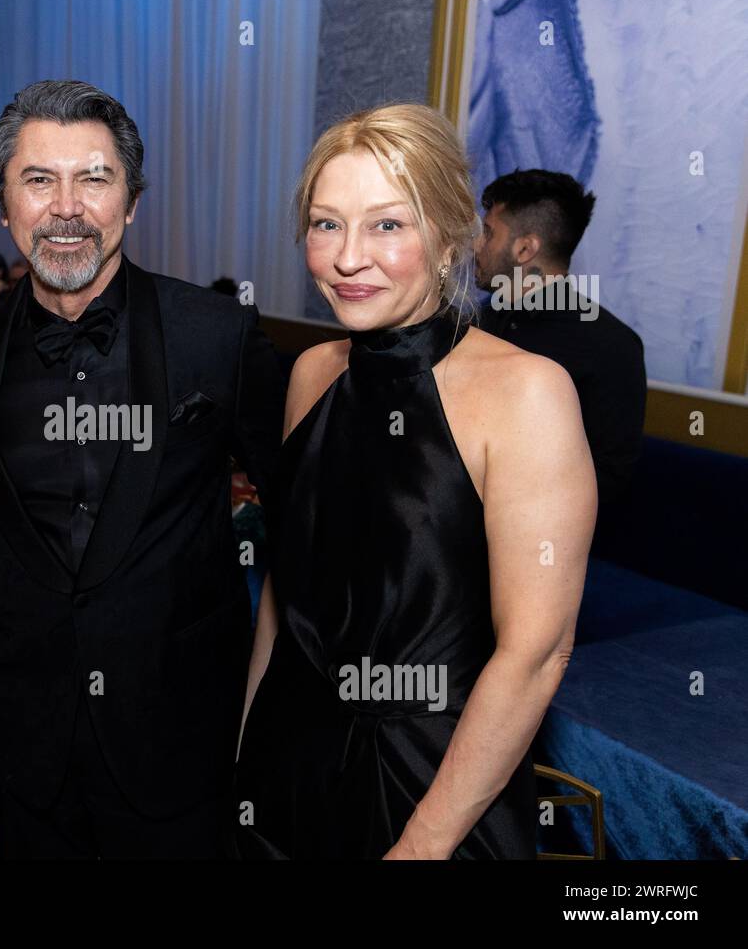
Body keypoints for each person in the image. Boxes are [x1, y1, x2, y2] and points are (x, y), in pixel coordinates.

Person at [235, 104, 596, 859]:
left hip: (432, 785)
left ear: (448, 239)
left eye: (387, 225)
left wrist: (422, 845)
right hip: (290, 768)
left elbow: (537, 652)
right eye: (327, 224)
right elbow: (284, 591)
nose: (347, 257)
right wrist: (247, 748)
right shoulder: (311, 374)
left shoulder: (529, 392)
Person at [0, 80, 285, 858]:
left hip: (183, 733)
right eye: (38, 180)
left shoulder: (216, 337)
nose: (66, 207)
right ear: (3, 202)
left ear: (131, 201)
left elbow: (302, 526)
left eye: (93, 178)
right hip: (27, 743)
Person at [474, 168, 645, 514]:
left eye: (488, 232)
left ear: (524, 249)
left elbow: (606, 480)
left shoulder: (611, 346)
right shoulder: (477, 322)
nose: (477, 245)